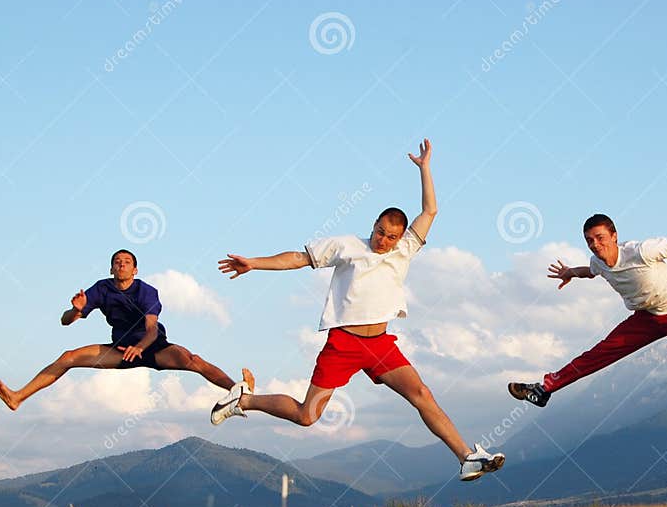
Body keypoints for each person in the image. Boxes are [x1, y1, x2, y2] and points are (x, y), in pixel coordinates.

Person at [213, 139, 504, 481]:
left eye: (391, 237)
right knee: (307, 416)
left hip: (381, 344)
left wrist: (424, 168)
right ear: (374, 225)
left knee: (422, 394)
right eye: (380, 232)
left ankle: (467, 457)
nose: (384, 240)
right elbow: (297, 258)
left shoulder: (404, 251)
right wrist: (254, 263)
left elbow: (430, 212)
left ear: (400, 239)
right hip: (344, 344)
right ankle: (245, 402)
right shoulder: (347, 245)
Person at [508, 214, 667, 416]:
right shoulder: (597, 261)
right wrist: (570, 273)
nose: (596, 245)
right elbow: (591, 270)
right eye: (590, 241)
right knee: (597, 354)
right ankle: (544, 389)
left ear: (614, 236)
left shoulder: (643, 250)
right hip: (646, 319)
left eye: (600, 238)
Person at [0, 249, 253, 410]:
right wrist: (75, 311)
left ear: (135, 269)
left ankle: (238, 393)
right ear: (111, 268)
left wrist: (140, 347)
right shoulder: (101, 288)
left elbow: (151, 329)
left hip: (152, 348)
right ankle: (18, 397)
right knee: (68, 357)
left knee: (192, 360)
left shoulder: (146, 291)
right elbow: (65, 322)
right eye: (117, 262)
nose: (121, 265)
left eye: (127, 262)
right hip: (119, 350)